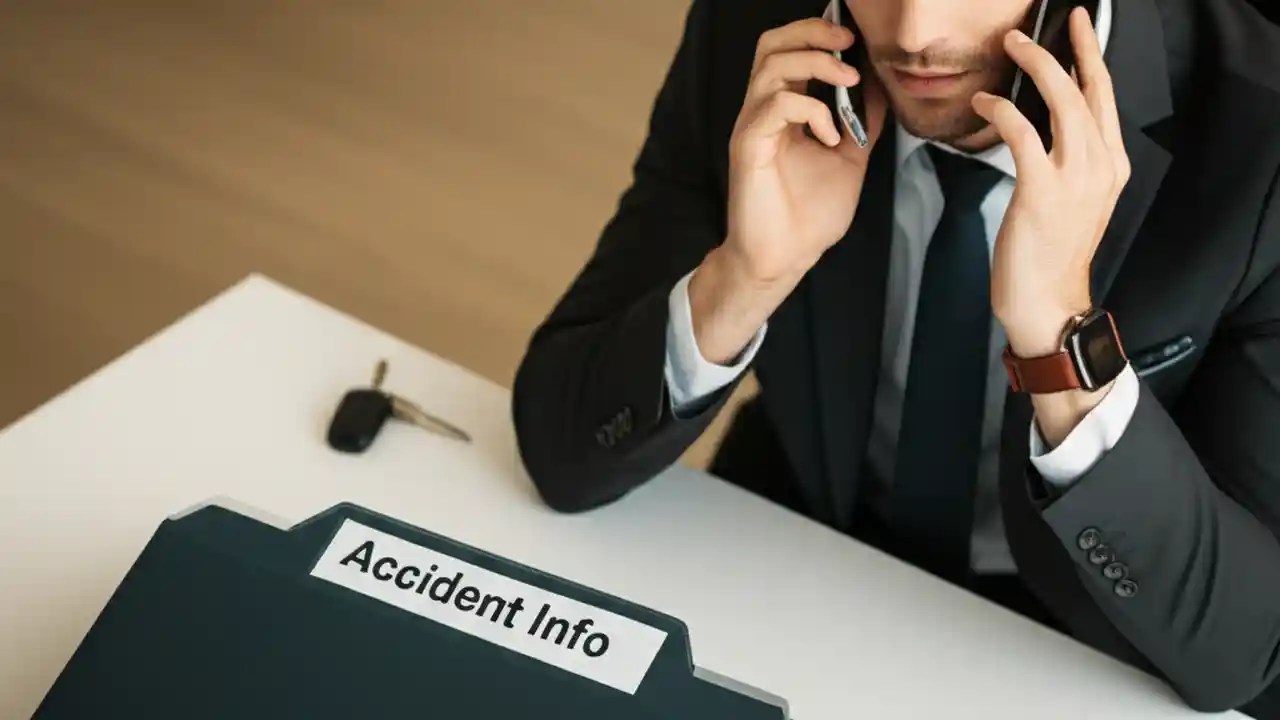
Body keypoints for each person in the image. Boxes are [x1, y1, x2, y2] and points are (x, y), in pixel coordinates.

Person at [512, 0, 1280, 713]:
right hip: (800, 553)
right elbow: (563, 452)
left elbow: (1245, 652)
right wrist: (743, 279)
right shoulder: (760, 29)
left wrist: (1061, 343)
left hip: (1084, 638)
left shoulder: (1261, 131)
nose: (913, 33)